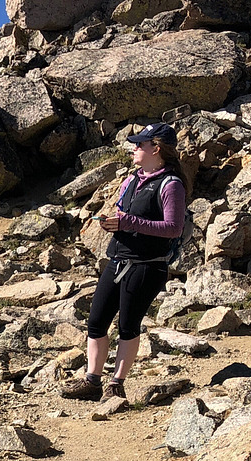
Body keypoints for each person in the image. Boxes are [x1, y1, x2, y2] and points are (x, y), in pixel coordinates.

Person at [61, 122, 188, 402]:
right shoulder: (130, 180)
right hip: (118, 260)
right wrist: (113, 223)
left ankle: (116, 384)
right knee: (96, 322)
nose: (134, 148)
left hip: (147, 265)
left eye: (140, 144)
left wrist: (128, 222)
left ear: (156, 149)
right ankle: (92, 380)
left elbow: (173, 228)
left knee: (128, 326)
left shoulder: (171, 185)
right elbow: (125, 215)